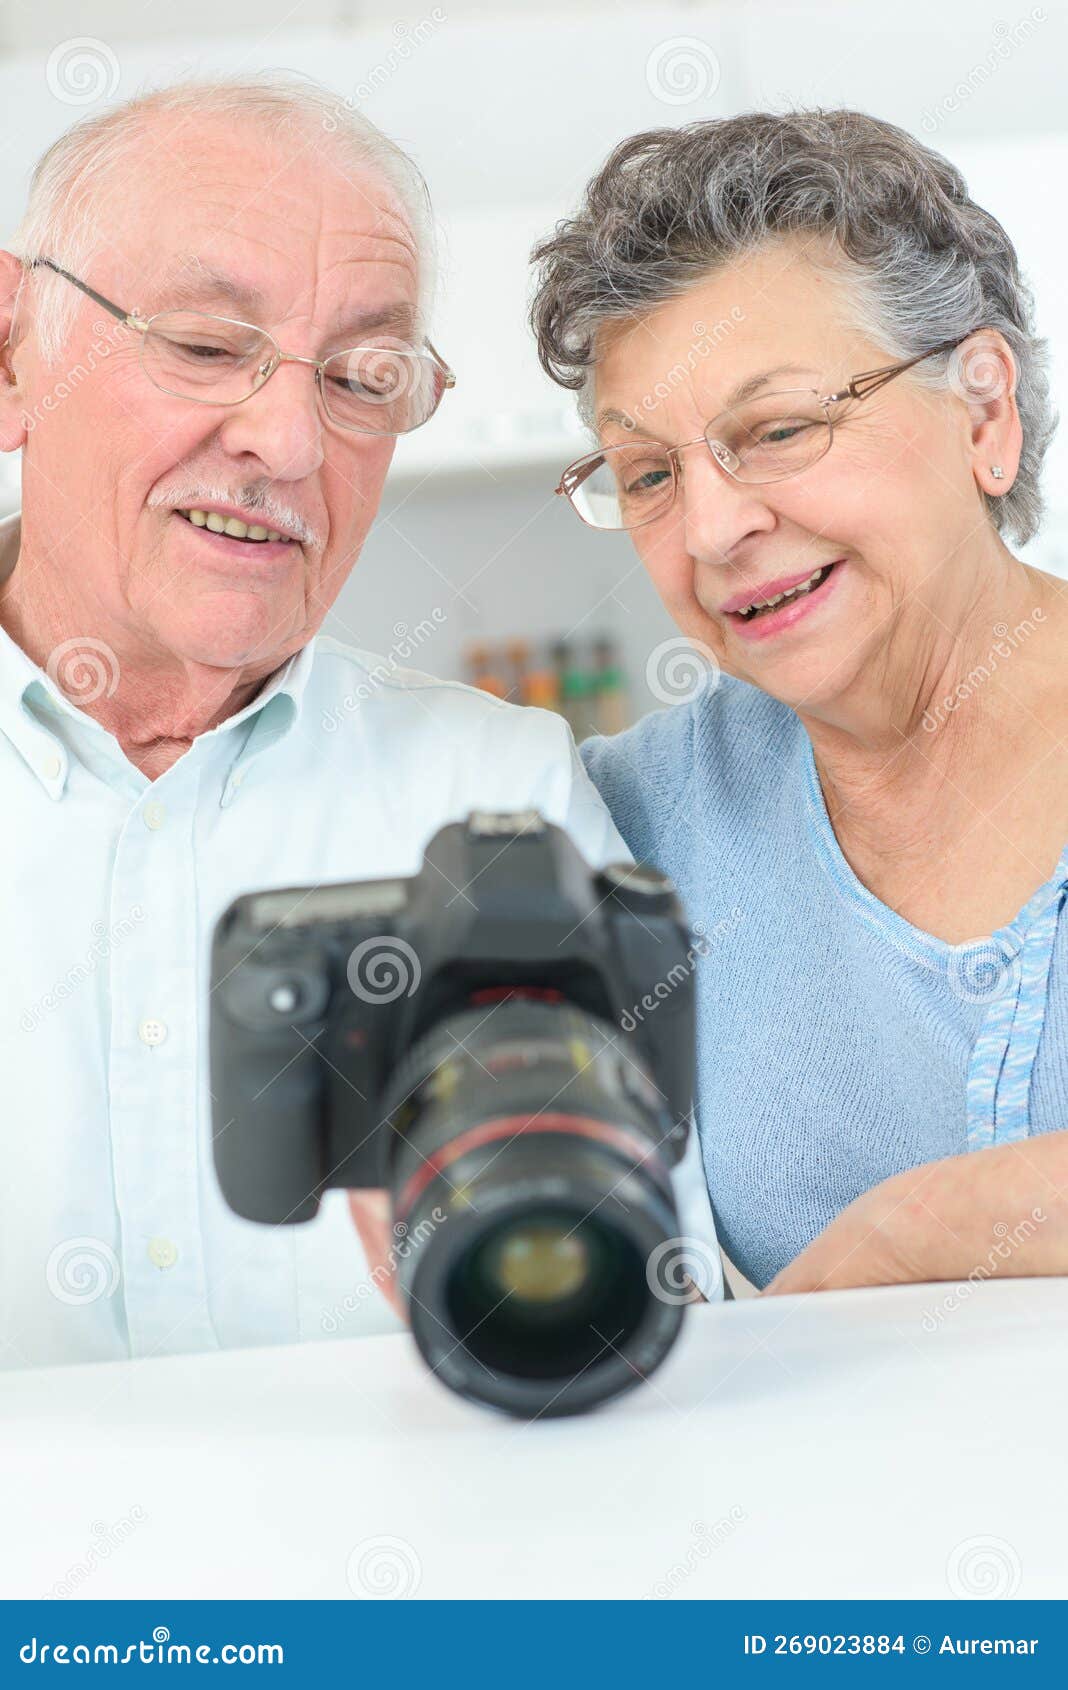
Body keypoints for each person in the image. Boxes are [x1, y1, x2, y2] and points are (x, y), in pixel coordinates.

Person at [0, 71, 713, 1372]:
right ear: (11, 356)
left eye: (362, 375)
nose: (285, 439)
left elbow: (657, 1322)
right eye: (207, 346)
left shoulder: (499, 792)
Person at [531, 108, 1068, 1294]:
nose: (714, 529)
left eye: (778, 429)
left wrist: (917, 1231)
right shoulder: (629, 821)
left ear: (984, 411)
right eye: (651, 476)